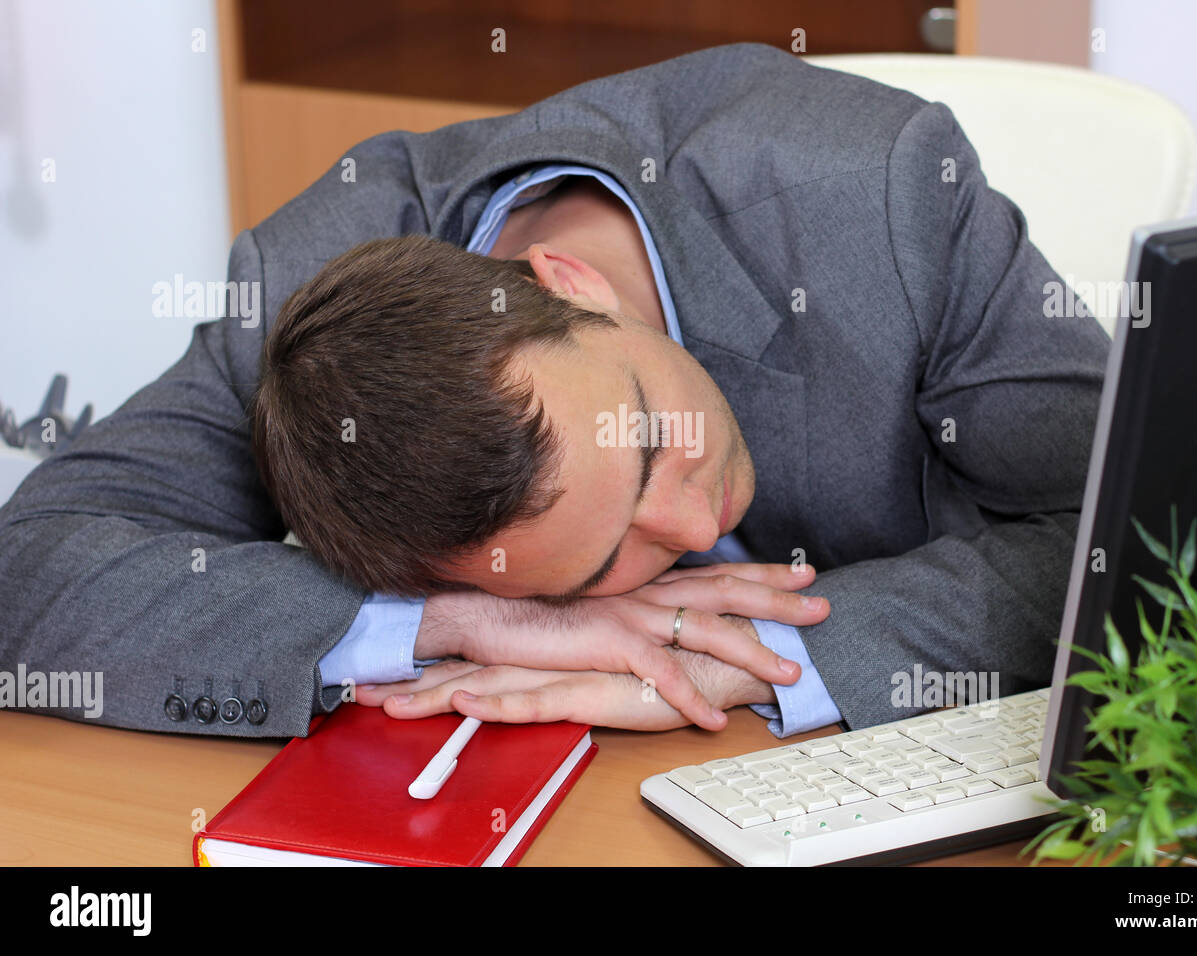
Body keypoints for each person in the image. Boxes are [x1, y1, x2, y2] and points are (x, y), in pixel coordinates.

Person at [0, 43, 1110, 740]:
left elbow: (1140, 531)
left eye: (645, 447)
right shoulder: (301, 318)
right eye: (597, 563)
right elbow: (33, 570)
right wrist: (462, 621)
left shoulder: (876, 190)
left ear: (571, 284)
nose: (689, 521)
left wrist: (751, 665)